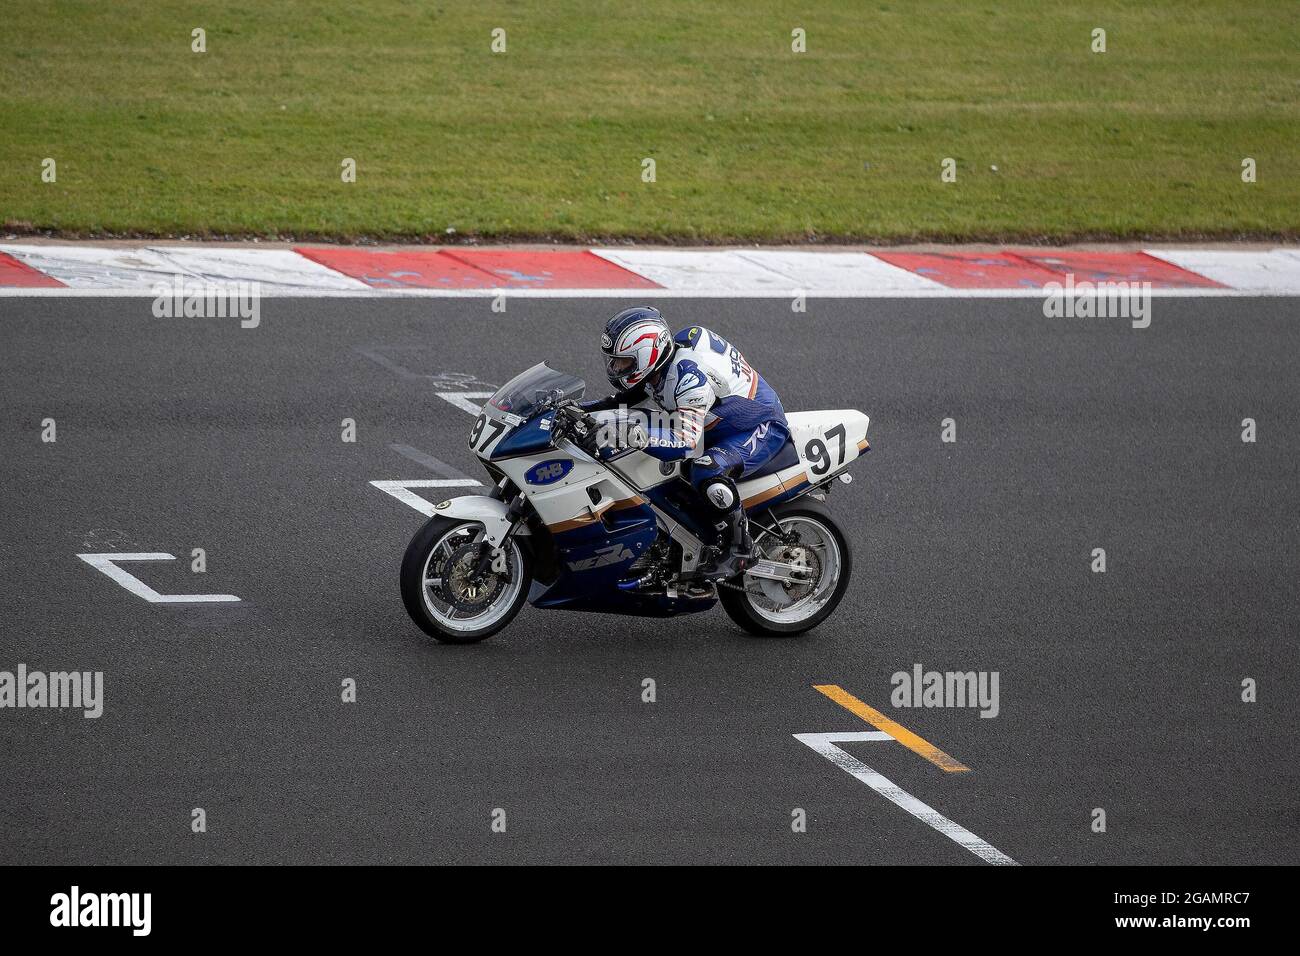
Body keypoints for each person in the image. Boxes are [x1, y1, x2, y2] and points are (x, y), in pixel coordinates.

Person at [579, 306, 791, 575]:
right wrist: (579, 409)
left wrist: (630, 435)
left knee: (705, 469)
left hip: (758, 425)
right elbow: (623, 401)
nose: (616, 368)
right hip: (714, 421)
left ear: (647, 356)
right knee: (632, 423)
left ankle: (741, 548)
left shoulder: (689, 378)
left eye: (624, 362)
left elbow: (684, 443)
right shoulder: (659, 366)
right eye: (614, 361)